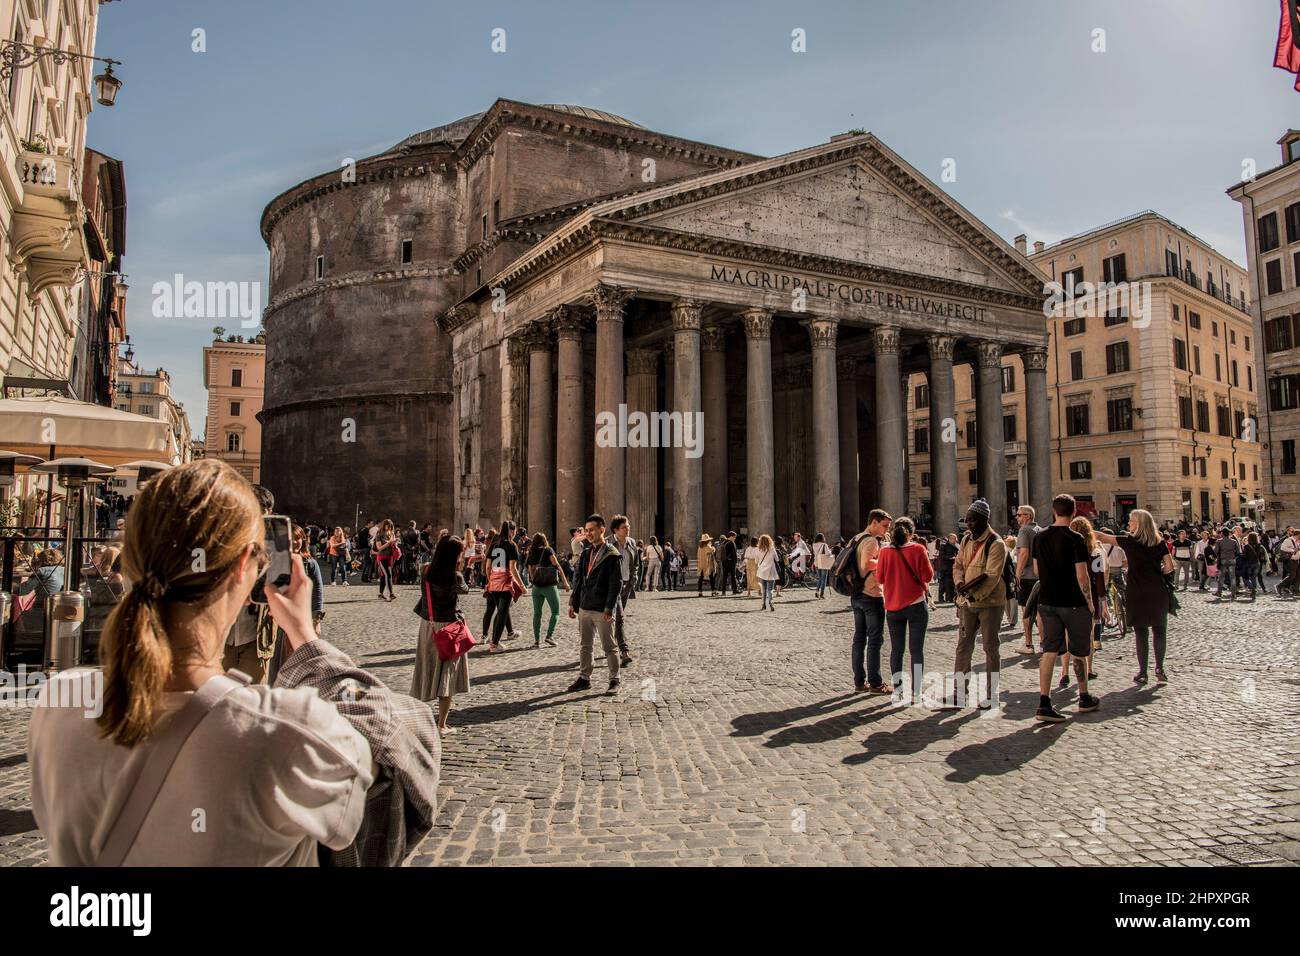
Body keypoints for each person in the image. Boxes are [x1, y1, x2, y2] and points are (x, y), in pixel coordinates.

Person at [28, 460, 387, 865]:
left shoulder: (57, 703)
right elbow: (385, 769)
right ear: (242, 570)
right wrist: (304, 635)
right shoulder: (287, 730)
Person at [1031, 494, 1100, 722]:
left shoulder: (1039, 538)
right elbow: (1082, 576)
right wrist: (1089, 602)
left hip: (1047, 601)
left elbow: (1038, 571)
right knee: (1079, 651)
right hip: (1072, 602)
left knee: (1049, 651)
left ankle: (1044, 702)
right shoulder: (1076, 538)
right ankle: (1083, 696)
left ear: (1053, 511)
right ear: (1073, 513)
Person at [1095, 509, 1174, 685]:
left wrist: (1080, 527)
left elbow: (1102, 537)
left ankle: (1143, 673)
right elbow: (1169, 566)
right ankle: (1160, 669)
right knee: (1160, 631)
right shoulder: (1159, 542)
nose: (1128, 524)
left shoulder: (1129, 542)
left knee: (1141, 633)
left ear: (1138, 524)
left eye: (1131, 521)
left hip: (1137, 591)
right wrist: (1156, 573)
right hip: (1157, 591)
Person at [412, 534, 471, 733]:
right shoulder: (456, 576)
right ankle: (441, 724)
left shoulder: (425, 570)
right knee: (448, 675)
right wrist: (464, 568)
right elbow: (465, 591)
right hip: (449, 628)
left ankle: (419, 719)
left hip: (428, 625)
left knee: (426, 669)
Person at [953, 499, 1008, 708]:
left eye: (973, 521)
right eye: (967, 521)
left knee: (990, 648)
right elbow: (958, 564)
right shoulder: (966, 540)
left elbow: (993, 576)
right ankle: (959, 693)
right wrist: (959, 582)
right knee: (963, 648)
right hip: (967, 602)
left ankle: (991, 695)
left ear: (985, 520)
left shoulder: (996, 543)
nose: (969, 525)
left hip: (990, 603)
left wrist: (975, 597)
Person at [875, 517, 933, 704]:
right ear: (911, 531)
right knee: (916, 651)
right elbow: (928, 575)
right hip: (916, 604)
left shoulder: (884, 552)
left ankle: (898, 691)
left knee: (896, 651)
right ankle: (916, 693)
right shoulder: (918, 549)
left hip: (893, 607)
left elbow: (880, 578)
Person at [565, 514, 623, 695]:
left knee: (609, 646)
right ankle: (584, 678)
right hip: (585, 606)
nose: (588, 534)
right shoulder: (586, 553)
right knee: (585, 645)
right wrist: (573, 603)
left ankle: (615, 680)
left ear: (602, 530)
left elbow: (616, 584)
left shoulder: (612, 554)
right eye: (587, 530)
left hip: (601, 609)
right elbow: (578, 580)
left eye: (592, 530)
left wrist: (609, 608)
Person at [1059, 516, 1105, 688]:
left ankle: (1064, 672)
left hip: (1067, 594)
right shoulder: (1096, 552)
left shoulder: (1065, 550)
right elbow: (1099, 580)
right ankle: (1089, 669)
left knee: (1067, 635)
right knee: (1089, 635)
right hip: (1089, 595)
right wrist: (1102, 602)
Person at [850, 510, 892, 694]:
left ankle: (859, 682)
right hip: (871, 594)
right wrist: (885, 559)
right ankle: (875, 683)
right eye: (884, 526)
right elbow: (866, 565)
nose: (886, 530)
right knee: (875, 640)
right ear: (874, 522)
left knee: (859, 639)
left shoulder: (857, 538)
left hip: (857, 594)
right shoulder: (871, 541)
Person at [482, 520, 525, 653]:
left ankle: (495, 640)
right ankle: (494, 644)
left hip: (493, 582)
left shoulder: (494, 545)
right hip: (505, 582)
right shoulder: (512, 545)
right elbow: (512, 568)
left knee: (501, 612)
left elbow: (488, 566)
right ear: (511, 531)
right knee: (501, 613)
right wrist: (521, 585)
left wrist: (490, 580)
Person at [526, 531, 567, 648]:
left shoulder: (531, 552)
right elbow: (557, 566)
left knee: (537, 614)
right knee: (555, 611)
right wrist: (565, 582)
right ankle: (549, 636)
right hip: (549, 586)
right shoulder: (548, 550)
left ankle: (536, 642)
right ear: (545, 541)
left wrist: (535, 582)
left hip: (536, 587)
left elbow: (530, 572)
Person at [610, 516, 636, 666]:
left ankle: (611, 645)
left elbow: (636, 563)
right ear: (616, 530)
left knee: (615, 618)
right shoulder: (608, 543)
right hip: (613, 585)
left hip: (626, 585)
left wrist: (633, 580)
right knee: (619, 617)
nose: (628, 528)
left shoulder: (631, 542)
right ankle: (624, 651)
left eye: (628, 526)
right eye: (624, 527)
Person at [1013, 506, 1039, 652]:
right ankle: (1043, 643)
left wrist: (1018, 573)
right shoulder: (1039, 529)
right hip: (1039, 576)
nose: (1016, 517)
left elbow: (1023, 553)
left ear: (1027, 516)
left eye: (1019, 515)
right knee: (1040, 612)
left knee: (1026, 611)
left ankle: (1028, 644)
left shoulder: (1024, 530)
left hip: (1027, 576)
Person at [372, 519, 399, 602]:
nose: (389, 528)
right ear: (384, 525)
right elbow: (379, 548)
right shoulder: (379, 534)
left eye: (390, 526)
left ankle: (380, 594)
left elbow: (393, 545)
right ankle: (391, 594)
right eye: (387, 526)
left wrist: (395, 543)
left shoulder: (392, 533)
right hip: (382, 557)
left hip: (390, 557)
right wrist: (389, 543)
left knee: (384, 576)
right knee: (388, 574)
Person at [755, 534, 780, 611]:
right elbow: (777, 559)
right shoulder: (772, 549)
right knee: (770, 589)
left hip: (762, 571)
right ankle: (770, 602)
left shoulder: (757, 549)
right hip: (771, 571)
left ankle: (763, 604)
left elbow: (756, 561)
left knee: (764, 588)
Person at [1213, 528, 1239, 600]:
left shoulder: (1219, 541)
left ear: (1222, 533)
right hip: (1232, 559)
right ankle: (1233, 594)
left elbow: (1215, 551)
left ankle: (1219, 592)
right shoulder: (1234, 541)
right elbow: (1238, 551)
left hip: (1223, 560)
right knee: (1233, 577)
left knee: (1221, 577)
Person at [935, 533, 959, 604]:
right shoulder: (943, 546)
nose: (954, 540)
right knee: (942, 583)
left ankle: (950, 598)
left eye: (955, 538)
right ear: (948, 539)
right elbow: (941, 556)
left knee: (951, 584)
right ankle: (941, 598)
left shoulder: (957, 546)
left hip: (953, 567)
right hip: (944, 567)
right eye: (952, 538)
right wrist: (950, 557)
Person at [811, 532, 834, 599]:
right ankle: (822, 594)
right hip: (823, 563)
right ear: (822, 538)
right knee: (823, 579)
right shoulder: (824, 545)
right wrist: (830, 550)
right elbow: (827, 553)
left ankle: (817, 591)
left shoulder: (814, 545)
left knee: (819, 578)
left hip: (817, 562)